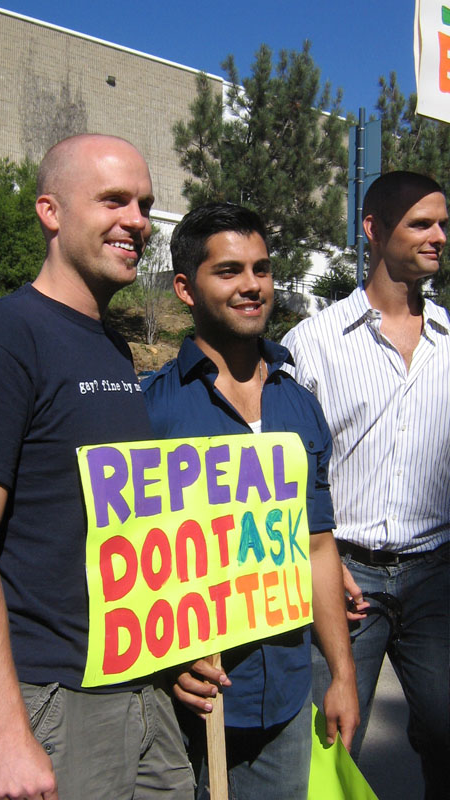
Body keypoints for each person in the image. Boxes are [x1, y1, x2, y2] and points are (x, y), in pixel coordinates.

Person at [0, 133, 194, 800]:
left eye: (144, 204)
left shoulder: (109, 345)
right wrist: (12, 734)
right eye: (113, 199)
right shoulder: (3, 339)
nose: (137, 220)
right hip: (50, 699)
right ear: (51, 212)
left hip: (140, 688)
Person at [142, 203, 359, 799]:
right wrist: (165, 663)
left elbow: (318, 547)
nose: (252, 286)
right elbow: (126, 567)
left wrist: (340, 674)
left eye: (261, 269)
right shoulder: (151, 410)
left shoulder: (300, 405)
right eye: (230, 271)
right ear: (185, 288)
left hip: (286, 700)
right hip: (186, 710)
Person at [281, 171, 450, 798]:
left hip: (436, 574)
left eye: (442, 224)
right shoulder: (315, 344)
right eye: (421, 223)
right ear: (373, 230)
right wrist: (315, 558)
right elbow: (285, 470)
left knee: (444, 735)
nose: (438, 236)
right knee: (329, 741)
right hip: (345, 578)